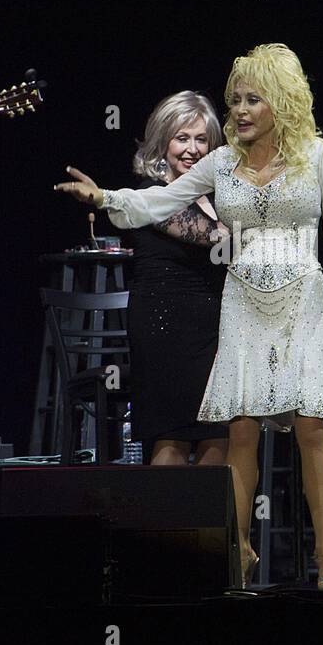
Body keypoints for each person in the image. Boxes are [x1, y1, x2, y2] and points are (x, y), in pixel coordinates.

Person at [55, 44, 323, 590]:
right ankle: (238, 551)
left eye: (252, 100)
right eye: (235, 99)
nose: (238, 110)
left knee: (310, 427)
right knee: (241, 431)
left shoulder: (316, 158)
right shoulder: (221, 163)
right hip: (242, 301)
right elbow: (157, 204)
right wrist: (105, 198)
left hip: (302, 302)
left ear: (280, 104)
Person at [125, 92, 229, 467]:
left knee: (218, 438)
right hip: (164, 327)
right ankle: (162, 527)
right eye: (182, 138)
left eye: (202, 140)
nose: (192, 149)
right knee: (171, 437)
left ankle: (209, 529)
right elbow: (223, 241)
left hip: (214, 330)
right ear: (162, 142)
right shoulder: (152, 197)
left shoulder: (219, 198)